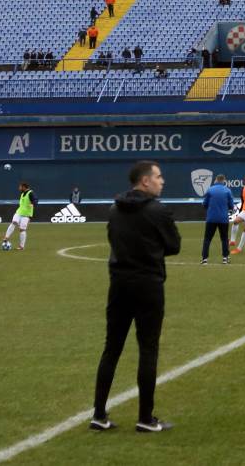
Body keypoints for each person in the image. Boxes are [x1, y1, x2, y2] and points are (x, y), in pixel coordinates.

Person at [91, 160, 180, 433]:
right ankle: (145, 418)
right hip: (148, 285)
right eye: (158, 176)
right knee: (148, 348)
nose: (162, 181)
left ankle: (98, 414)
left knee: (111, 348)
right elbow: (174, 246)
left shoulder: (115, 209)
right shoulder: (158, 211)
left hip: (118, 284)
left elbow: (113, 240)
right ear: (145, 181)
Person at [200, 174, 234, 265]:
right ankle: (225, 258)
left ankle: (204, 259)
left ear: (216, 180)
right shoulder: (227, 191)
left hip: (211, 218)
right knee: (224, 239)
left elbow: (204, 204)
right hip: (223, 219)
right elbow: (231, 206)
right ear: (224, 181)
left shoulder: (210, 190)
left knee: (207, 238)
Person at [2, 181, 37, 251]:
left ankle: (21, 246)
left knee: (22, 229)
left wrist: (33, 204)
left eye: (20, 187)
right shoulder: (22, 194)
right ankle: (6, 237)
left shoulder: (31, 193)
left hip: (26, 215)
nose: (19, 188)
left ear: (24, 187)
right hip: (19, 212)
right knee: (14, 222)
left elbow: (36, 200)